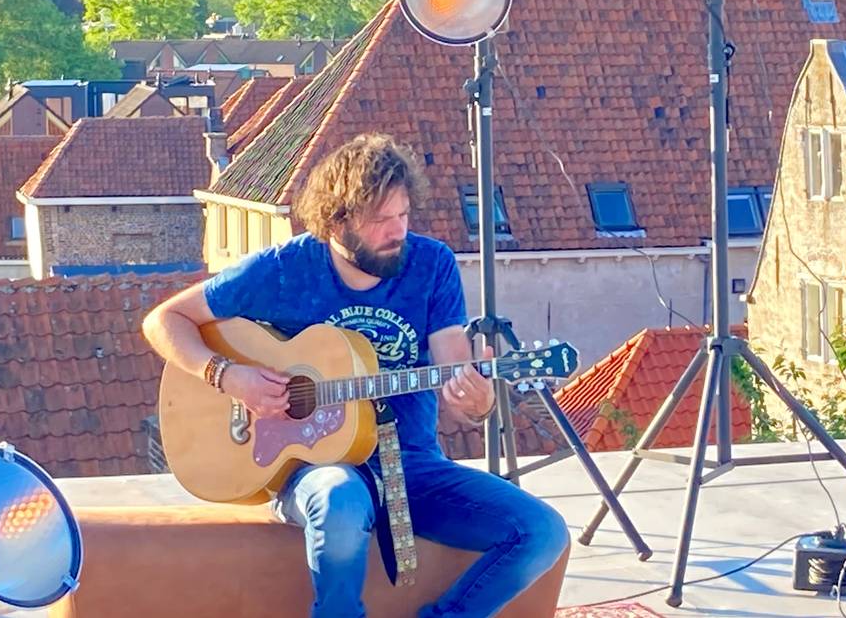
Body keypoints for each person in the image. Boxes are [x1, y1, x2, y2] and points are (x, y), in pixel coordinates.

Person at [142, 133, 570, 617]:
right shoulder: (285, 269)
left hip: (411, 463)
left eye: (404, 215)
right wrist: (228, 375)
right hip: (313, 467)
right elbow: (162, 321)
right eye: (380, 220)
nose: (397, 231)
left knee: (541, 532)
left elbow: (456, 373)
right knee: (340, 500)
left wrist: (477, 401)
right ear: (336, 222)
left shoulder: (432, 265)